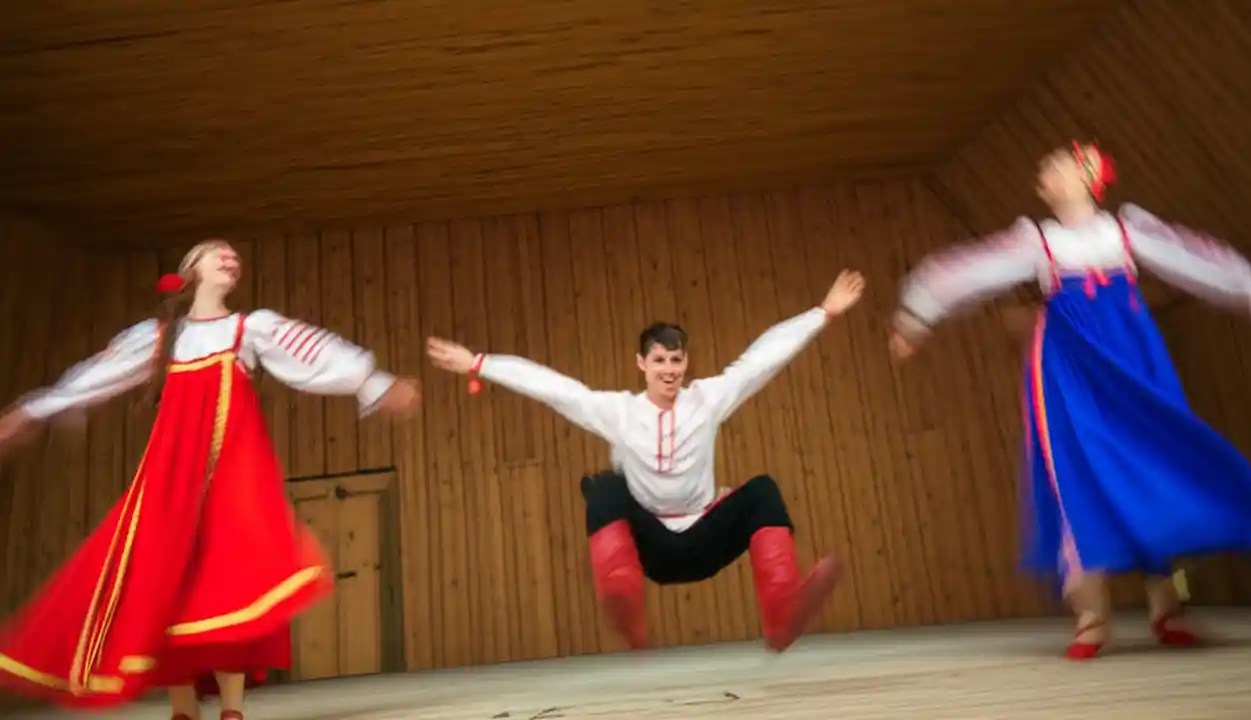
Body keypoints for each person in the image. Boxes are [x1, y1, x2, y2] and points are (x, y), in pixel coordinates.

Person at [888, 141, 1251, 660]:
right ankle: (1091, 617)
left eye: (1054, 163)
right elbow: (966, 270)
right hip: (1071, 371)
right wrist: (916, 314)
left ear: (1087, 174)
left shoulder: (1127, 232)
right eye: (1042, 167)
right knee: (1073, 473)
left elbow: (1192, 257)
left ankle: (1169, 607)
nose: (1042, 172)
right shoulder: (1038, 241)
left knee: (1152, 463)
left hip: (1132, 361)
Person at [0, 240, 420, 718]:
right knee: (165, 579)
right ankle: (183, 708)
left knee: (230, 575)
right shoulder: (159, 338)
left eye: (234, 254)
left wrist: (374, 382)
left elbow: (313, 353)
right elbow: (99, 375)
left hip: (229, 473)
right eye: (214, 250)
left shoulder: (250, 329)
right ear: (189, 269)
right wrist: (36, 408)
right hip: (172, 478)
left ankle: (232, 709)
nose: (229, 255)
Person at [427, 270, 865, 652]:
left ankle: (782, 615)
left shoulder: (708, 399)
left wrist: (823, 313)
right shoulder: (619, 412)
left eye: (676, 359)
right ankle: (624, 606)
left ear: (686, 362)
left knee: (763, 491)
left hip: (704, 540)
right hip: (649, 548)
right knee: (603, 486)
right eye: (659, 360)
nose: (669, 369)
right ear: (641, 363)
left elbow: (761, 360)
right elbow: (554, 388)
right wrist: (480, 363)